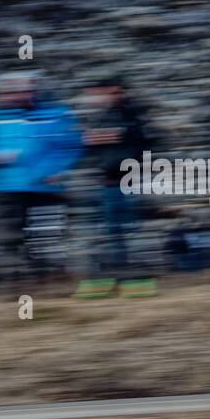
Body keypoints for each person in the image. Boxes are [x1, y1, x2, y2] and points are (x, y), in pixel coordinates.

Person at [0, 71, 83, 279]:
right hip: (7, 187)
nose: (14, 96)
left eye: (21, 91)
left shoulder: (56, 113)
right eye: (8, 93)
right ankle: (18, 279)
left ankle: (50, 276)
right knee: (11, 236)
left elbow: (71, 147)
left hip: (45, 186)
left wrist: (54, 170)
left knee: (47, 234)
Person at [79, 75, 154, 296]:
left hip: (127, 179)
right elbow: (91, 144)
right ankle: (118, 274)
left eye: (114, 92)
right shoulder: (100, 118)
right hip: (108, 181)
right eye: (105, 93)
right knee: (113, 231)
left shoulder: (132, 115)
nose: (109, 97)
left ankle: (131, 274)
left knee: (128, 229)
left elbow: (138, 143)